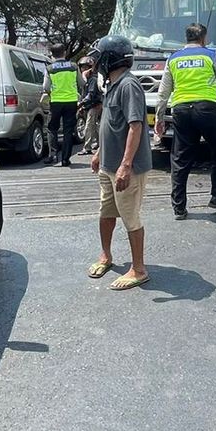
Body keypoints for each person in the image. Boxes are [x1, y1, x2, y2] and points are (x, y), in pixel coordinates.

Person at [154, 23, 216, 219]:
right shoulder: (210, 55)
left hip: (181, 111)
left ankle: (179, 208)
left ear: (186, 38)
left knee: (179, 159)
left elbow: (163, 93)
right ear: (203, 38)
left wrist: (159, 118)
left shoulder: (173, 58)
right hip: (207, 110)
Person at [87, 35, 151, 291]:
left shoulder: (128, 85)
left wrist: (126, 165)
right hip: (108, 166)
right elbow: (111, 126)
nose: (95, 63)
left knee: (130, 217)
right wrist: (100, 152)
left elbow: (135, 126)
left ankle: (139, 269)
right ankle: (106, 255)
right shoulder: (112, 86)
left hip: (127, 169)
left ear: (109, 59)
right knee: (106, 213)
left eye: (99, 58)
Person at [42, 44, 81, 167]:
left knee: (52, 128)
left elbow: (46, 87)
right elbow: (81, 83)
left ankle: (53, 155)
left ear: (52, 55)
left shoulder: (50, 68)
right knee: (68, 130)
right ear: (64, 52)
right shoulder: (74, 66)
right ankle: (65, 159)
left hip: (56, 102)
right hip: (71, 102)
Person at [77, 56, 102, 156]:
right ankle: (100, 144)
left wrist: (81, 103)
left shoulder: (93, 80)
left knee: (88, 126)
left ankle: (87, 148)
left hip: (94, 105)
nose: (84, 70)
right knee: (94, 126)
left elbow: (90, 95)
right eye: (82, 67)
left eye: (86, 67)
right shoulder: (84, 81)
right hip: (89, 105)